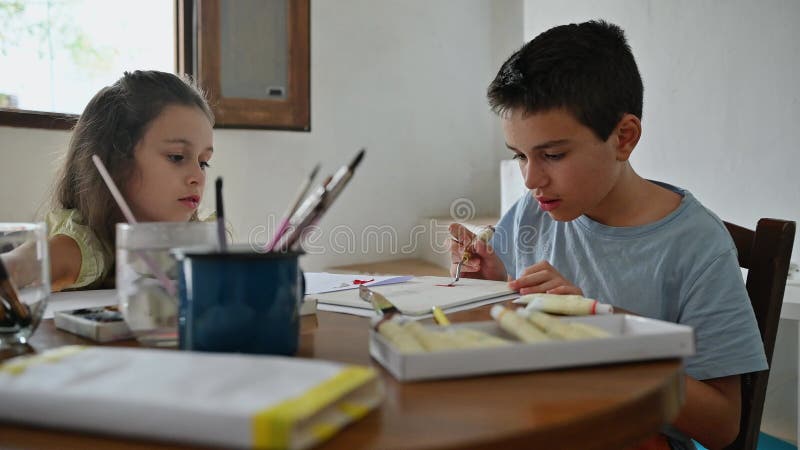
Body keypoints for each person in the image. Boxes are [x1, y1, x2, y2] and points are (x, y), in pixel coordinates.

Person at [449, 20, 765, 450]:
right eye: (520, 156)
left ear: (624, 137)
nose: (530, 179)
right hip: (541, 418)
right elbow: (520, 331)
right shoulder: (534, 210)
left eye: (553, 154)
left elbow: (723, 426)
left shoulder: (697, 246)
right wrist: (492, 282)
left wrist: (610, 334)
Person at [42, 70, 214, 291]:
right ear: (116, 162)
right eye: (177, 157)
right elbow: (16, 268)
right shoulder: (81, 243)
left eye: (203, 162)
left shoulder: (200, 243)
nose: (198, 177)